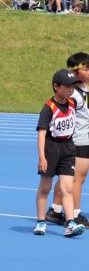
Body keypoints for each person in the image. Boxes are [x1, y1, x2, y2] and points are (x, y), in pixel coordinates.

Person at [33, 69, 87, 236]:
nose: (71, 90)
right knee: (45, 187)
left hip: (68, 148)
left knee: (67, 188)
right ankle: (41, 222)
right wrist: (42, 156)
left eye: (73, 86)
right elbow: (42, 134)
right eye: (67, 86)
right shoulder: (48, 108)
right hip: (51, 148)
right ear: (56, 87)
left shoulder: (72, 103)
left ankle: (70, 222)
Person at [61, 53, 89, 230]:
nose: (88, 72)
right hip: (79, 140)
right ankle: (76, 214)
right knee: (78, 178)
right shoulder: (74, 94)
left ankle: (56, 210)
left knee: (71, 178)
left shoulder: (85, 89)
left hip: (85, 137)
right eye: (86, 69)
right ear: (75, 71)